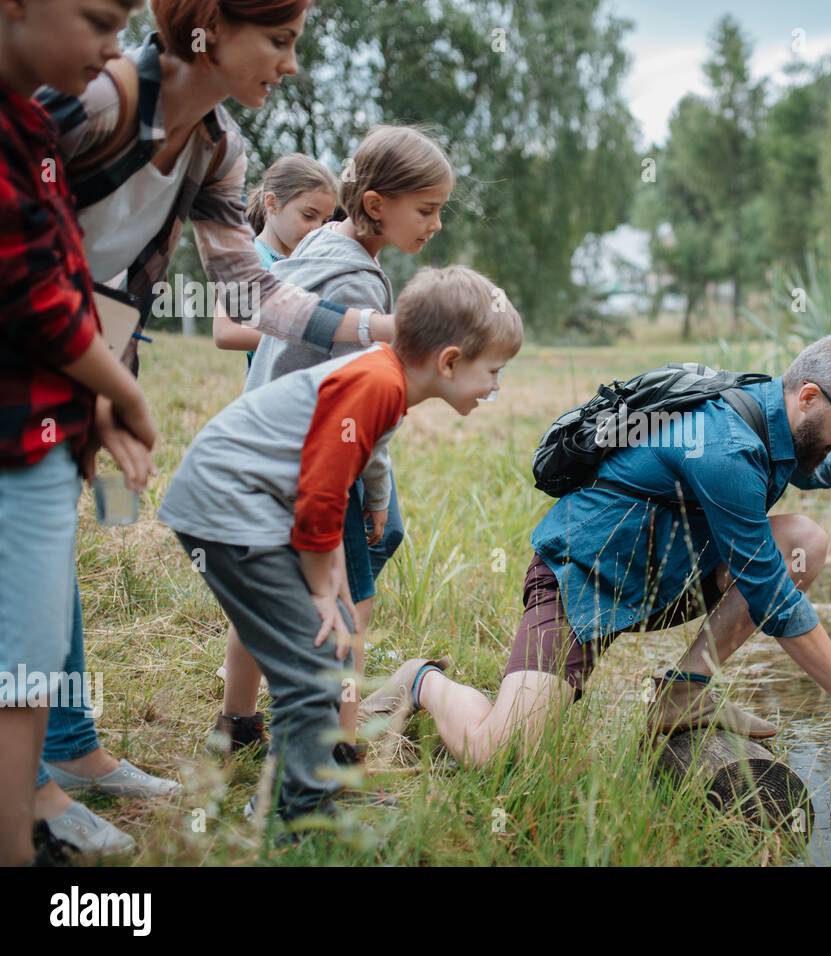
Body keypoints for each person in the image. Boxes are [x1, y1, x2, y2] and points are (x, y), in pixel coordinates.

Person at [31, 0, 397, 853]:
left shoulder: (216, 147)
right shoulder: (95, 102)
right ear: (208, 30)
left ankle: (71, 748)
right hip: (40, 343)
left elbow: (250, 296)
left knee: (45, 546)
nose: (291, 63)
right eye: (277, 41)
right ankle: (34, 793)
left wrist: (378, 330)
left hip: (84, 355)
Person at [364, 333, 831, 769]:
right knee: (502, 754)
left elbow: (822, 470)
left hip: (661, 578)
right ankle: (420, 682)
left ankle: (681, 695)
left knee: (805, 543)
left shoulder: (774, 416)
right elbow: (768, 591)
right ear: (810, 397)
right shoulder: (724, 443)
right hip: (581, 584)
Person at [158, 266, 521, 822]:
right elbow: (323, 491)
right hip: (228, 508)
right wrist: (324, 586)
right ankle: (297, 811)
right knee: (317, 658)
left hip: (242, 506)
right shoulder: (377, 383)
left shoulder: (386, 382)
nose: (495, 386)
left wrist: (331, 590)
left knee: (337, 637)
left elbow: (336, 480)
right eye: (493, 371)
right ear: (449, 361)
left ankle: (311, 785)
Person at [214, 125, 455, 762]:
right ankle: (334, 744)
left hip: (264, 454)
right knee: (350, 603)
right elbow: (363, 411)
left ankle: (236, 721)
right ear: (376, 204)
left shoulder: (321, 242)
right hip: (318, 466)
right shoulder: (358, 287)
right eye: (426, 210)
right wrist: (375, 493)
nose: (435, 225)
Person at [0, 0, 157, 866]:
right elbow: (29, 295)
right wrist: (119, 390)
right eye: (99, 17)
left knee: (25, 662)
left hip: (46, 430)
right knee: (16, 663)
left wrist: (93, 400)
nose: (113, 47)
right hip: (16, 441)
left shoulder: (35, 125)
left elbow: (58, 279)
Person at [212, 152, 339, 366]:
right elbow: (224, 332)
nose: (317, 228)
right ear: (272, 203)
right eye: (308, 216)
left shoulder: (312, 260)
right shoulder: (247, 259)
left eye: (325, 220)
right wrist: (303, 338)